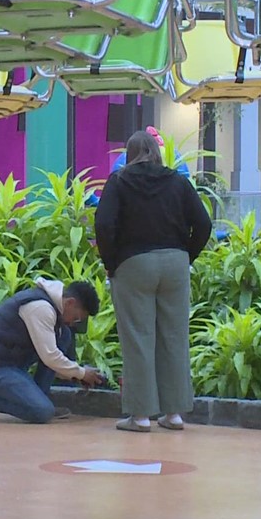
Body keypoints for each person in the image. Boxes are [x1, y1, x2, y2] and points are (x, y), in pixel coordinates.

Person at [94, 130, 212, 433]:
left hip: (134, 264)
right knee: (174, 336)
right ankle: (174, 414)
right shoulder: (177, 181)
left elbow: (104, 224)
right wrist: (187, 256)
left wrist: (111, 263)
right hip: (174, 262)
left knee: (138, 338)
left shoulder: (119, 182)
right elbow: (203, 223)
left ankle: (141, 416)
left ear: (130, 153)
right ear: (157, 152)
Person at [0, 277, 107, 424]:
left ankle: (40, 397)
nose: (74, 322)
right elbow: (50, 357)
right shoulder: (41, 308)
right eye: (76, 317)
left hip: (11, 362)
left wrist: (78, 374)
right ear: (70, 302)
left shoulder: (52, 306)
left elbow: (52, 358)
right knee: (42, 412)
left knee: (64, 335)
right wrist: (82, 373)